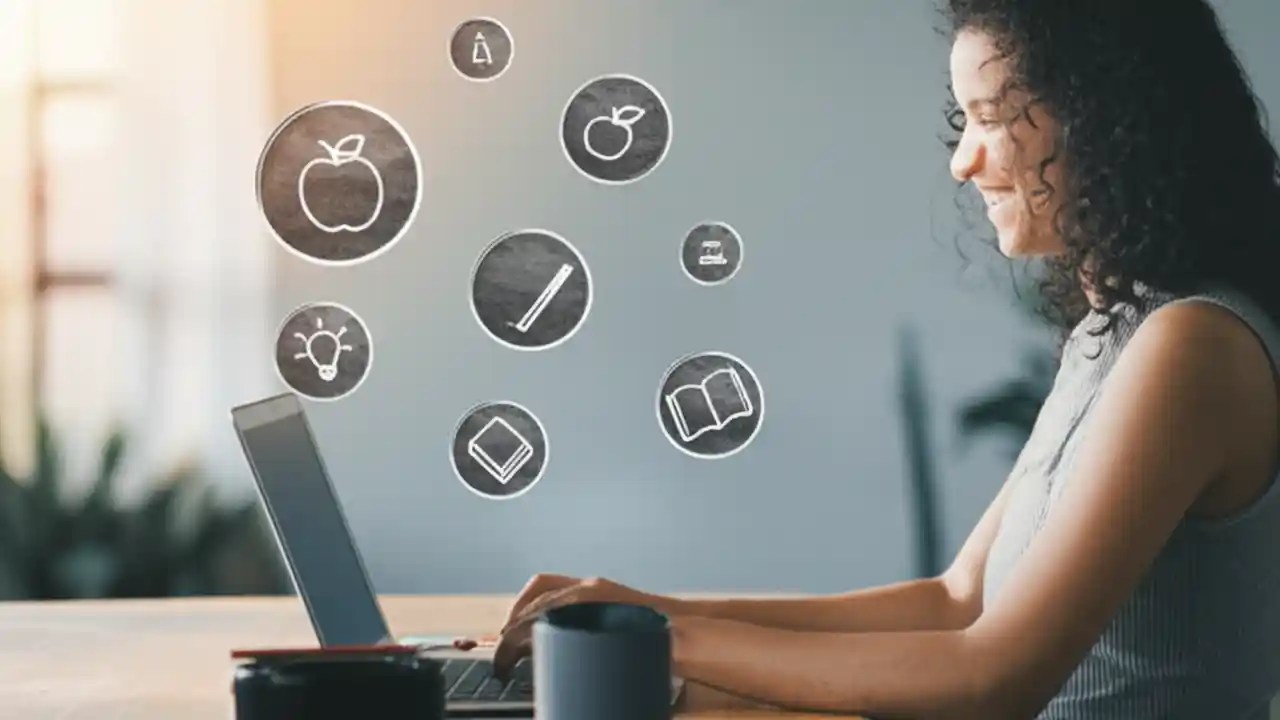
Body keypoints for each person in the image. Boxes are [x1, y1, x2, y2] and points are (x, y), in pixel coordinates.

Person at [466, 1, 1280, 717]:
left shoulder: (1193, 347)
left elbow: (993, 679)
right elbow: (956, 603)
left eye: (993, 120)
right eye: (964, 123)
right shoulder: (1120, 333)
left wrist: (656, 639)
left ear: (1105, 119)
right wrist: (651, 610)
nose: (965, 161)